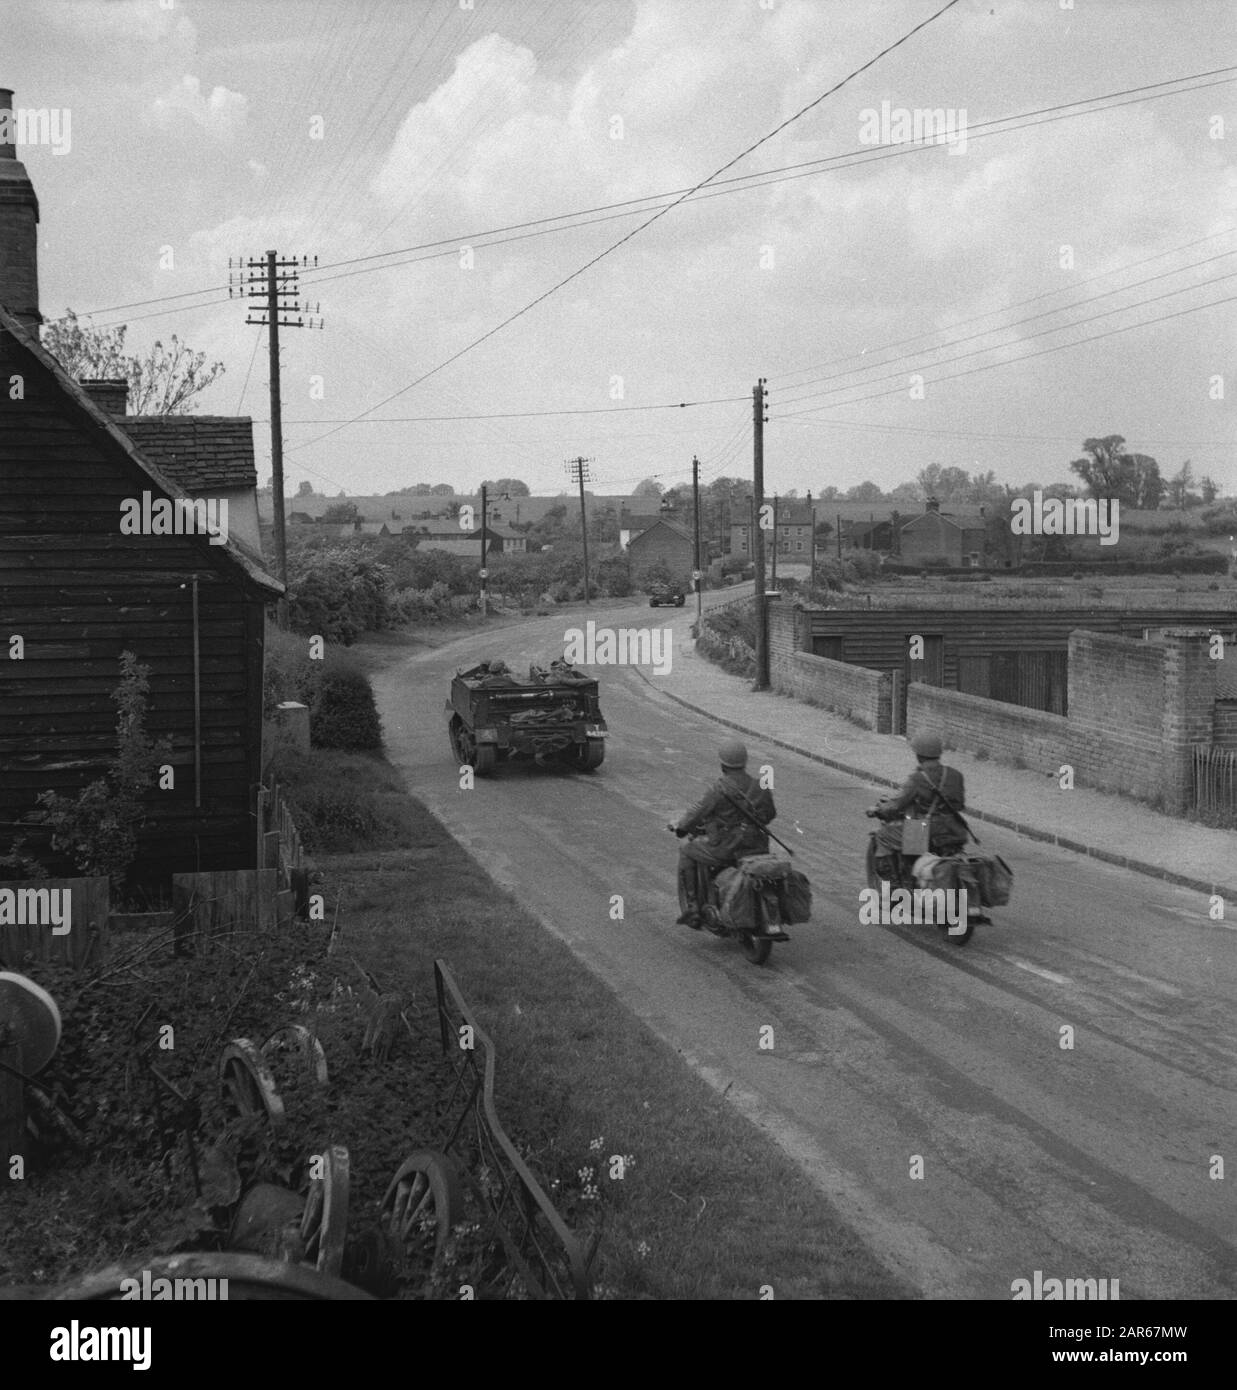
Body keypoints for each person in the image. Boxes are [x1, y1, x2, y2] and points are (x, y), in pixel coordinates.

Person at [673, 740, 775, 928]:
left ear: (722, 764)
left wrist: (682, 827)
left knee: (687, 849)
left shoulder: (719, 789)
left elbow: (697, 812)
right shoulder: (760, 786)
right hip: (757, 846)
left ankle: (693, 908)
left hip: (726, 848)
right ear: (744, 762)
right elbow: (769, 815)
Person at [869, 733, 967, 879]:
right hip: (954, 828)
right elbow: (959, 804)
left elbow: (897, 805)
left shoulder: (918, 779)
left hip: (923, 830)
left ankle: (893, 886)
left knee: (883, 835)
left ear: (919, 755)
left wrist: (878, 810)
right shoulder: (956, 775)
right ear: (938, 753)